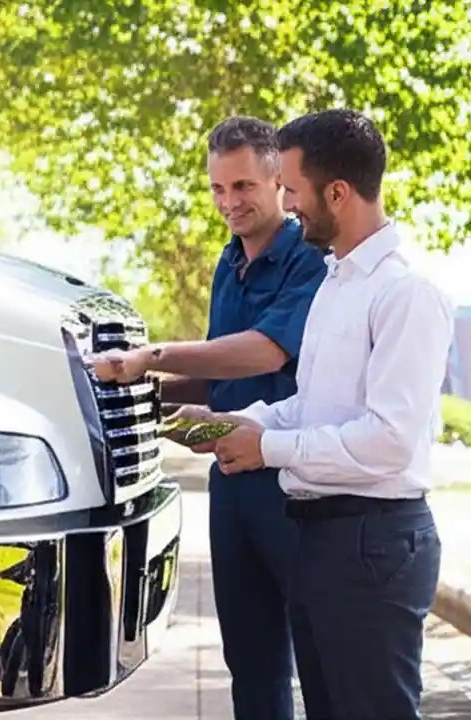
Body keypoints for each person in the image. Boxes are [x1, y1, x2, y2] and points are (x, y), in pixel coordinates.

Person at [209, 108, 454, 720]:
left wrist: (269, 449)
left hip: (375, 543)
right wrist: (251, 423)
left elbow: (390, 442)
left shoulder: (406, 295)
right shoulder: (336, 285)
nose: (288, 205)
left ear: (337, 193)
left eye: (291, 188)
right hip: (322, 536)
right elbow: (310, 405)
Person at [89, 115, 326, 719]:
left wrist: (152, 355)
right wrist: (133, 387)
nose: (229, 203)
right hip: (231, 488)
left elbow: (266, 350)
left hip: (292, 487)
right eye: (219, 189)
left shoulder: (310, 260)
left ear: (279, 182)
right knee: (250, 665)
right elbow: (221, 375)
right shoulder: (229, 261)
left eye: (243, 187)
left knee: (325, 667)